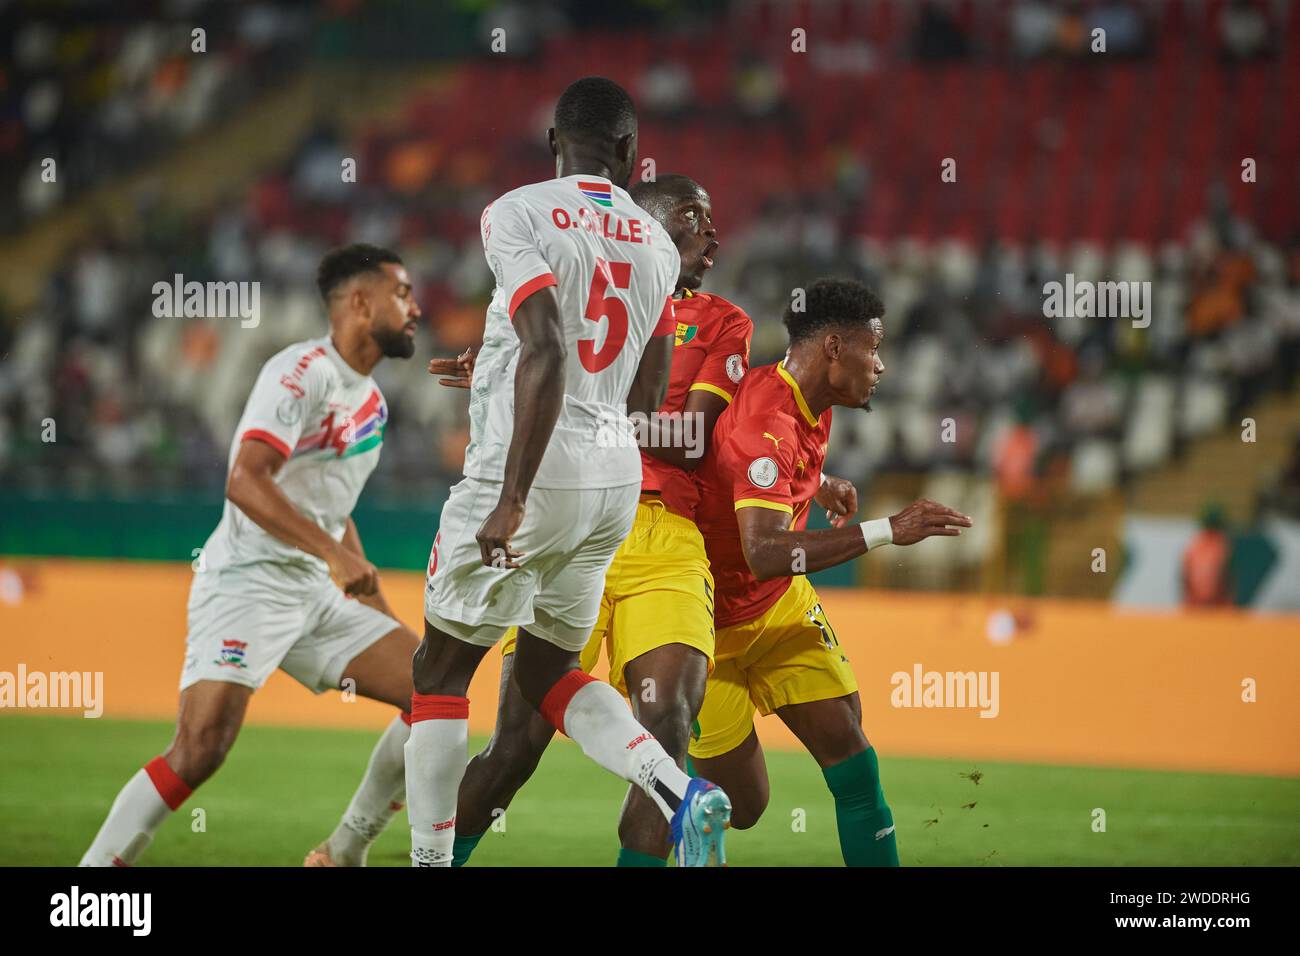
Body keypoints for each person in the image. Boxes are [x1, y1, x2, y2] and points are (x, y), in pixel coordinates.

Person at [407, 77, 731, 868]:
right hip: (612, 479)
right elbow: (647, 395)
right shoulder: (656, 243)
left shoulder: (515, 211)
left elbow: (549, 345)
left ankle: (427, 861)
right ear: (627, 153)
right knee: (550, 669)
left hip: (531, 471)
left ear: (555, 142)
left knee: (440, 668)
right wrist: (500, 364)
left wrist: (510, 498)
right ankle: (675, 787)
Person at [451, 173, 797, 867]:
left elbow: (692, 439)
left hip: (664, 535)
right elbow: (545, 375)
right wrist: (502, 375)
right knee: (515, 746)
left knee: (667, 724)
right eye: (697, 218)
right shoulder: (574, 294)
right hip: (575, 523)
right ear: (653, 222)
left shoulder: (726, 321)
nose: (714, 235)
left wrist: (573, 408)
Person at [80, 244, 425, 867]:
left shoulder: (372, 402)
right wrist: (332, 556)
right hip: (247, 582)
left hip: (314, 593)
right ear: (359, 301)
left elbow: (331, 505)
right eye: (402, 293)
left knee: (432, 691)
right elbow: (244, 479)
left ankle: (343, 852)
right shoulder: (300, 372)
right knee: (200, 749)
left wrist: (374, 602)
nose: (416, 307)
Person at [688, 277, 971, 866]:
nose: (883, 366)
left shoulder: (802, 400)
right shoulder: (767, 420)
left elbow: (758, 473)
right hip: (707, 625)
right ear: (836, 348)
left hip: (780, 606)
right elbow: (764, 549)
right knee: (744, 806)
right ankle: (684, 811)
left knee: (852, 754)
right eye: (875, 348)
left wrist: (816, 483)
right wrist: (889, 530)